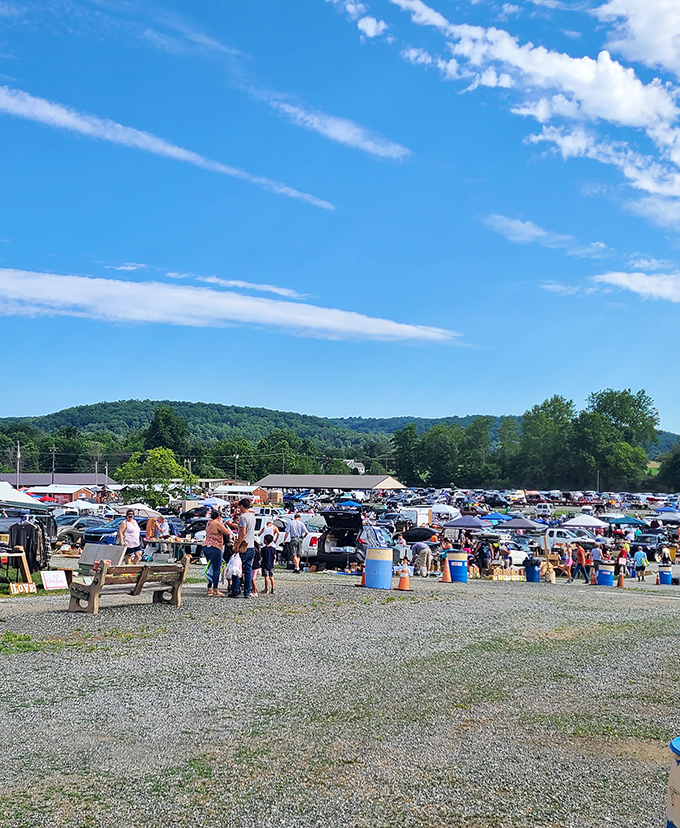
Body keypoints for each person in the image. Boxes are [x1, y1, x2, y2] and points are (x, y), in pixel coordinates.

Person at [202, 509, 231, 597]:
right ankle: (215, 589)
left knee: (209, 567)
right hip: (215, 547)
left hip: (206, 546)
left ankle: (209, 588)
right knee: (216, 569)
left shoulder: (209, 523)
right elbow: (227, 532)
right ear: (219, 517)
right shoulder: (217, 523)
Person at [231, 498, 256, 598]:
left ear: (242, 506)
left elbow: (242, 533)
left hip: (244, 546)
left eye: (239, 506)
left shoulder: (243, 518)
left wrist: (237, 546)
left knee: (237, 567)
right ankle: (247, 592)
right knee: (248, 570)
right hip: (251, 546)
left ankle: (236, 590)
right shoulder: (252, 516)